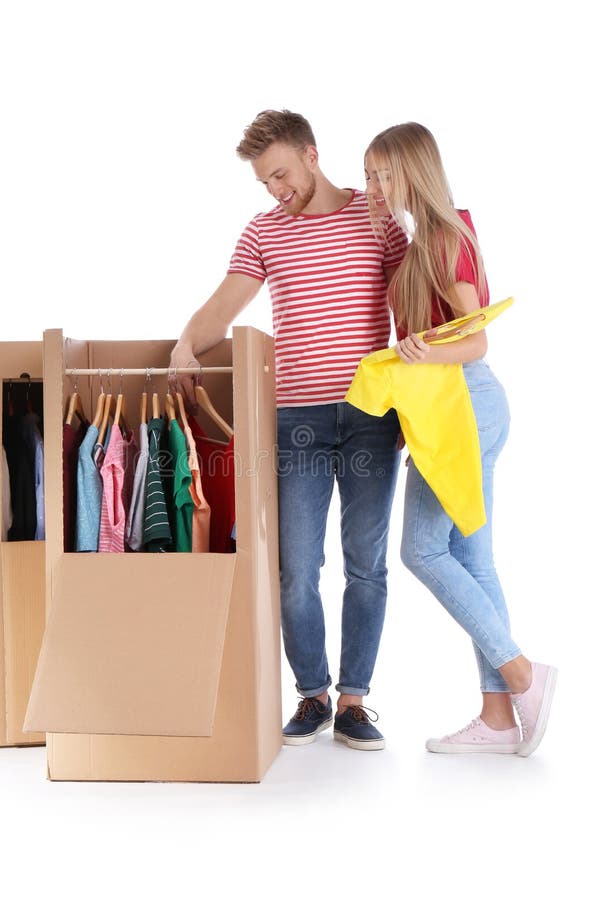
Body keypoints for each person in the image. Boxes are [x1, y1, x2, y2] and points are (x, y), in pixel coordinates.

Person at [170, 109, 408, 750]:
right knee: (296, 568)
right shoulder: (264, 233)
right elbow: (224, 305)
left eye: (280, 174)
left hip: (371, 416)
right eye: (264, 182)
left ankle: (355, 699)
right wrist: (184, 346)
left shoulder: (376, 218)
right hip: (295, 420)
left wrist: (420, 405)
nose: (276, 189)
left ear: (310, 153)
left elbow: (413, 309)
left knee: (367, 564)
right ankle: (313, 694)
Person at [361, 122, 556, 755]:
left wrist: (421, 359)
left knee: (422, 550)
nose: (373, 186)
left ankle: (524, 675)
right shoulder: (426, 239)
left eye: (380, 174)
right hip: (459, 405)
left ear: (411, 171)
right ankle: (499, 720)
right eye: (367, 175)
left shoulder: (444, 236)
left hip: (466, 402)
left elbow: (475, 339)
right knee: (473, 560)